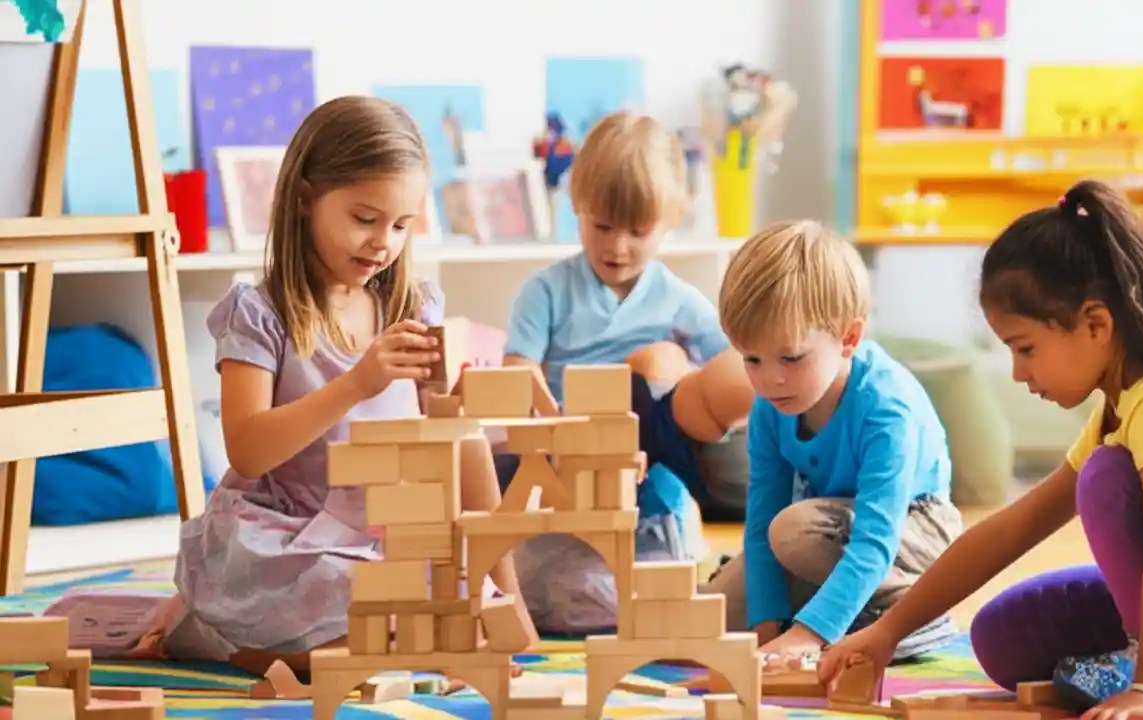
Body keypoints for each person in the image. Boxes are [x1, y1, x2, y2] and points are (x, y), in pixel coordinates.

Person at [46, 96, 519, 674]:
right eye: (364, 219)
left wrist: (505, 594)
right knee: (351, 614)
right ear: (303, 199)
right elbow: (247, 447)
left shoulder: (412, 305)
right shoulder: (261, 313)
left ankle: (297, 636)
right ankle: (215, 635)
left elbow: (459, 443)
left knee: (434, 600)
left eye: (400, 225)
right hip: (291, 535)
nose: (382, 242)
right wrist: (357, 382)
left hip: (387, 535)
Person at [817, 179, 1143, 719]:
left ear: (1095, 325)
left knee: (1107, 478)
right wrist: (887, 632)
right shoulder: (1122, 407)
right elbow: (1012, 529)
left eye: (1027, 349)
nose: (1018, 373)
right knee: (1002, 637)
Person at [497, 111, 757, 633]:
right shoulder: (546, 291)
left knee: (705, 367)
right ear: (577, 206)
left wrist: (683, 368)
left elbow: (730, 364)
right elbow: (516, 375)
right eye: (602, 226)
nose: (617, 247)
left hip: (652, 449)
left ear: (670, 219)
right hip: (567, 446)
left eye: (638, 232)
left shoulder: (678, 299)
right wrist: (557, 428)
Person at [701, 219, 963, 665]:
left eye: (790, 357)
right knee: (715, 610)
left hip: (916, 528)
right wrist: (768, 632)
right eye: (752, 359)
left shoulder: (885, 406)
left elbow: (876, 537)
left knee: (793, 531)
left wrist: (806, 634)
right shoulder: (770, 406)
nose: (769, 378)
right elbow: (760, 519)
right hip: (824, 526)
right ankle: (844, 610)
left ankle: (912, 613)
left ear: (849, 338)